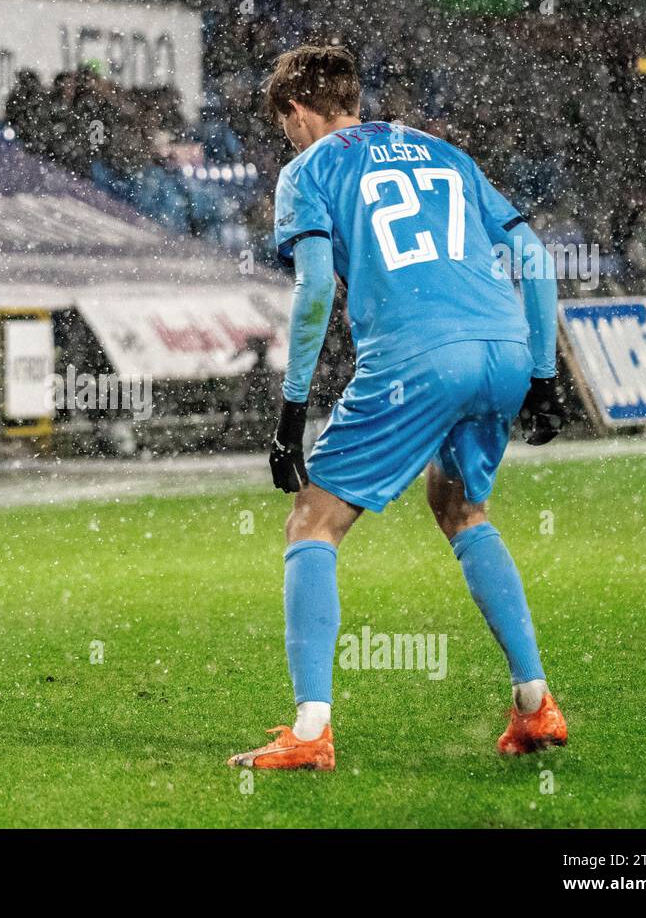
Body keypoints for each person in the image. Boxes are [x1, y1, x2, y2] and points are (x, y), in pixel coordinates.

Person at [228, 45, 569, 771]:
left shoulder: (309, 170)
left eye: (284, 124)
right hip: (503, 345)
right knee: (461, 508)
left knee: (312, 520)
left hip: (418, 359)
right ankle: (535, 704)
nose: (286, 138)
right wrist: (542, 372)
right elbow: (534, 254)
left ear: (295, 110)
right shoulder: (441, 152)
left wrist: (293, 411)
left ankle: (311, 729)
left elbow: (316, 288)